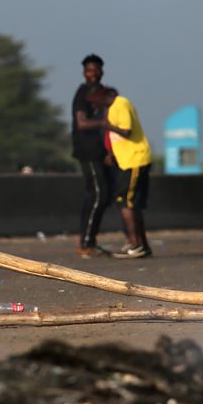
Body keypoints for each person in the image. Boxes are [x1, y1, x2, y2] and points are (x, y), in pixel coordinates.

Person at [98, 86, 152, 259]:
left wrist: (107, 125)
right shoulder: (111, 108)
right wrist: (110, 153)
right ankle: (141, 245)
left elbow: (126, 131)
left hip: (134, 160)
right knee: (131, 203)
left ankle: (136, 245)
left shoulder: (120, 103)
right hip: (126, 161)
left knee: (125, 202)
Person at [71, 54, 116, 258]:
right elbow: (82, 123)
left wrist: (109, 150)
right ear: (84, 73)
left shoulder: (105, 93)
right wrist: (105, 124)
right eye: (89, 70)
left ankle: (89, 240)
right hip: (87, 151)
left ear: (102, 71)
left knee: (98, 196)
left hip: (102, 152)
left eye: (96, 70)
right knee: (99, 194)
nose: (93, 74)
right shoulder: (82, 94)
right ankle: (86, 243)